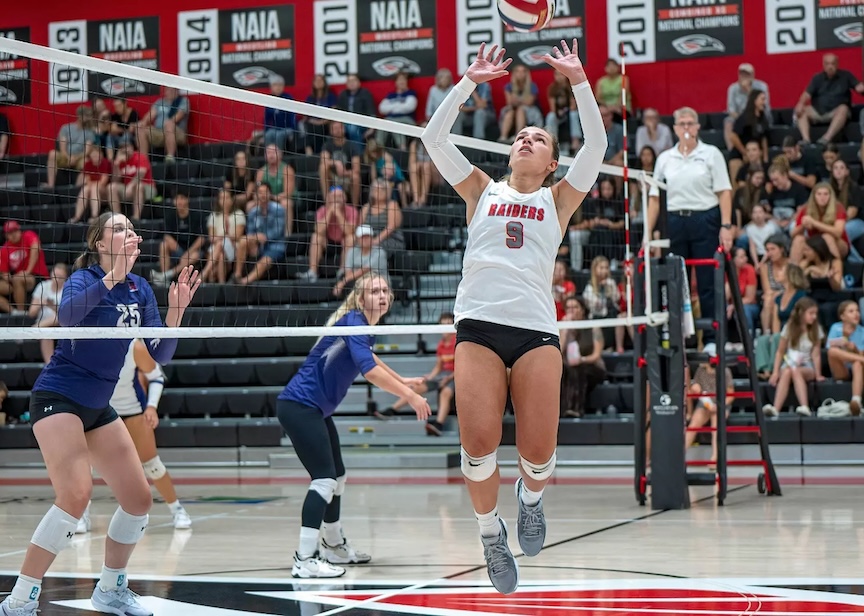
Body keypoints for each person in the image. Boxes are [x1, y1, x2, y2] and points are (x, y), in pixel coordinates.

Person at [420, 40, 606, 594]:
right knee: (476, 450)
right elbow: (433, 137)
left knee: (538, 453)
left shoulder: (559, 199)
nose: (526, 139)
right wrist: (469, 82)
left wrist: (577, 79)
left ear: (552, 162)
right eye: (521, 136)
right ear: (509, 153)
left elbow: (596, 142)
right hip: (476, 326)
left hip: (535, 332)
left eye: (538, 139)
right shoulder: (480, 188)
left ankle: (530, 499)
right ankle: (489, 532)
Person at [0, 212, 199, 616]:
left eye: (132, 228)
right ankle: (21, 598)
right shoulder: (85, 280)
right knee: (75, 494)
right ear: (100, 243)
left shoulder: (140, 288)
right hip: (58, 396)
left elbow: (159, 352)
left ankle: (110, 590)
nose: (131, 233)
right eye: (120, 229)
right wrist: (112, 275)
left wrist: (176, 312)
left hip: (97, 405)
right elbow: (69, 318)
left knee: (139, 499)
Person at [277, 272, 431, 578]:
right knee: (324, 480)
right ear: (361, 299)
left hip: (315, 409)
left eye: (386, 290)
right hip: (300, 406)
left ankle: (333, 543)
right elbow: (370, 370)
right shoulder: (353, 321)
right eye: (375, 291)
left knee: (339, 477)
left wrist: (403, 379)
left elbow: (371, 357)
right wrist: (410, 395)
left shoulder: (362, 327)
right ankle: (304, 559)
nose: (382, 295)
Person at [75, 339, 192, 532]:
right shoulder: (88, 343)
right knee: (85, 466)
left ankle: (177, 510)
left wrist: (152, 407)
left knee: (152, 465)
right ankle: (81, 516)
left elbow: (155, 377)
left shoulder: (134, 346)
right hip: (99, 411)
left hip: (132, 412)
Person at [647, 106, 734, 344]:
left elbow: (724, 192)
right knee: (674, 282)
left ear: (697, 127)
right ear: (674, 129)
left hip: (705, 218)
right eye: (681, 123)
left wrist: (726, 226)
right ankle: (676, 339)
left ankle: (713, 341)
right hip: (673, 221)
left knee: (707, 282)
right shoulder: (665, 158)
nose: (686, 128)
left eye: (689, 123)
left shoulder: (711, 153)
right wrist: (647, 235)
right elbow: (654, 198)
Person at [379, 312, 456, 435]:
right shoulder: (441, 345)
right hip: (443, 375)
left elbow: (461, 366)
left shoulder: (457, 342)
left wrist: (448, 378)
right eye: (442, 325)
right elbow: (438, 366)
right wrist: (430, 377)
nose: (444, 328)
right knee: (418, 386)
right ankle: (392, 410)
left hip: (455, 375)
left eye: (448, 324)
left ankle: (439, 424)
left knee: (445, 392)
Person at [764, 297, 823, 417]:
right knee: (787, 372)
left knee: (794, 371)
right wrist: (775, 372)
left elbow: (816, 355)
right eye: (811, 313)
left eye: (815, 313)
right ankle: (776, 408)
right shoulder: (789, 327)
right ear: (801, 313)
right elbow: (780, 352)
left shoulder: (816, 329)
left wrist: (818, 374)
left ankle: (805, 406)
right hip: (789, 362)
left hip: (806, 365)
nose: (814, 317)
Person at [795, 53, 864, 145]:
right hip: (818, 111)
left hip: (836, 112)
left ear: (837, 64)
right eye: (827, 64)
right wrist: (800, 103)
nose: (830, 67)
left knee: (843, 108)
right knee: (801, 110)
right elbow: (807, 94)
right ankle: (806, 140)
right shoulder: (817, 78)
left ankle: (826, 138)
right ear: (823, 65)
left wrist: (860, 88)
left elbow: (858, 87)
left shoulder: (846, 75)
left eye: (833, 63)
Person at [0, 221, 48, 314]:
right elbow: (4, 272)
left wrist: (27, 271)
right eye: (10, 233)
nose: (13, 234)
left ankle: (21, 312)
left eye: (15, 231)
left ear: (19, 230)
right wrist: (8, 277)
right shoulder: (5, 249)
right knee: (16, 279)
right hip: (18, 279)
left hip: (37, 276)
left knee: (18, 279)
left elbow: (36, 248)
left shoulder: (28, 235)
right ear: (6, 235)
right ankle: (14, 312)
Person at [826, 300, 864, 416]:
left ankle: (856, 400)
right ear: (842, 316)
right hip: (841, 370)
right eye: (851, 311)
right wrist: (844, 339)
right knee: (832, 351)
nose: (856, 314)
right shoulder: (835, 327)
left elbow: (861, 354)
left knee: (858, 362)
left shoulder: (862, 331)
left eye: (857, 310)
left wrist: (854, 349)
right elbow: (829, 346)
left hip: (857, 369)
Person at [28, 263, 68, 364]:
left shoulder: (68, 288)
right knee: (47, 332)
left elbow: (67, 315)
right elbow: (31, 313)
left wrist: (52, 306)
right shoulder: (43, 286)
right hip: (45, 325)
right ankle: (49, 364)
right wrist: (42, 302)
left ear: (65, 278)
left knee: (59, 317)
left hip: (62, 324)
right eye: (54, 276)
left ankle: (35, 328)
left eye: (60, 277)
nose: (56, 279)